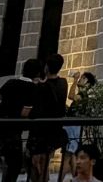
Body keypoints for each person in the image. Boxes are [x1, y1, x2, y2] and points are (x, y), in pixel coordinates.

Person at [0, 58, 42, 182]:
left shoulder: (11, 82)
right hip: (13, 131)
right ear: (37, 74)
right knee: (14, 165)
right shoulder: (32, 88)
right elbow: (25, 111)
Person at [30, 54, 69, 182]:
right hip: (55, 130)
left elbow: (39, 108)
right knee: (45, 163)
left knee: (38, 164)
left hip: (42, 131)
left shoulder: (42, 87)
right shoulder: (63, 83)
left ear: (46, 67)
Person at [61, 72, 96, 181]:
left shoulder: (82, 95)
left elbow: (71, 96)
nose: (81, 79)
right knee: (72, 156)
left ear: (87, 83)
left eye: (83, 78)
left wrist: (75, 80)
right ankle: (76, 179)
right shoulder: (83, 96)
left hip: (73, 127)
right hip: (73, 127)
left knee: (67, 156)